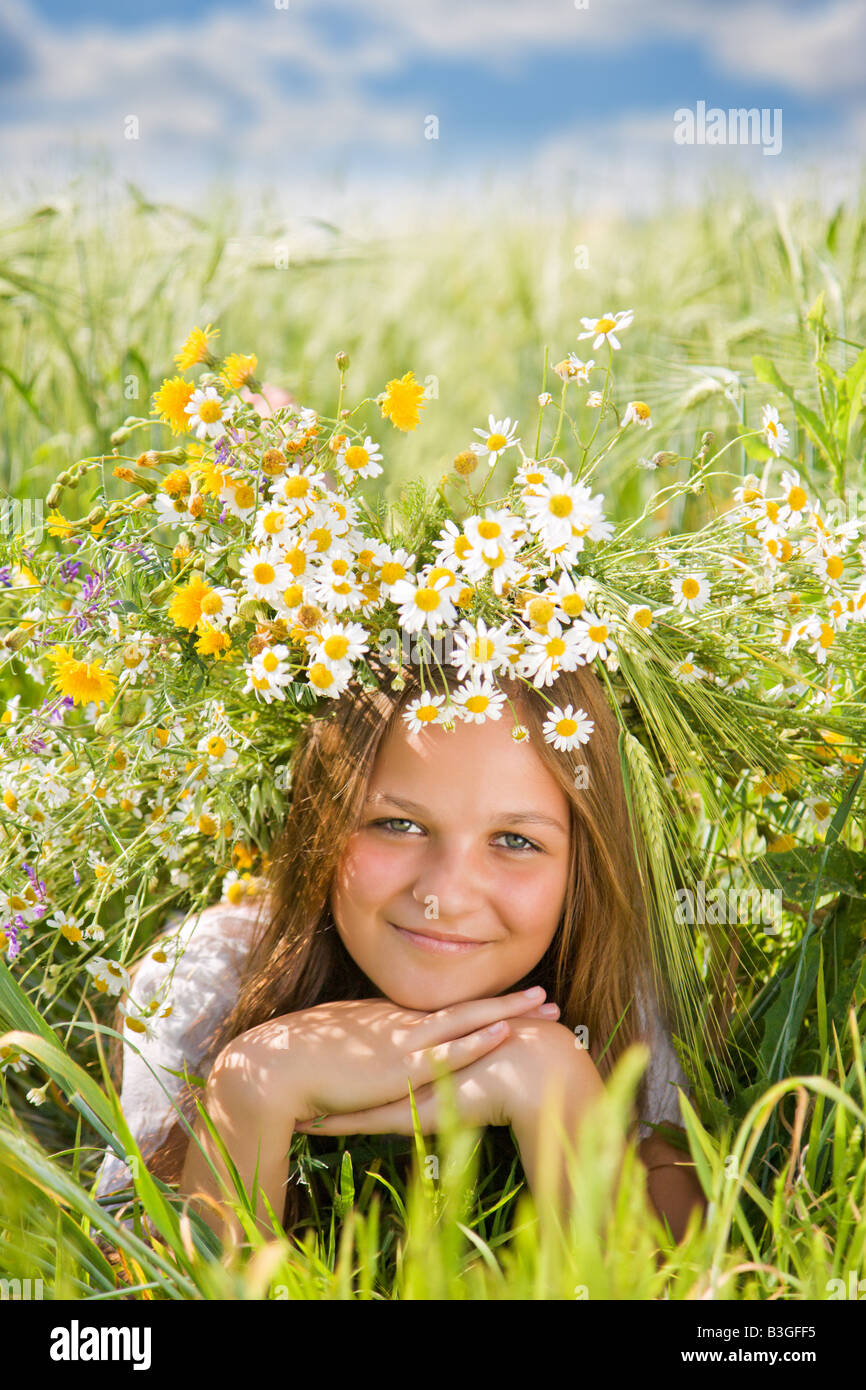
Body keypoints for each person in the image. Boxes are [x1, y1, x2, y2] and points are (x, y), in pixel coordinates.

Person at [95, 659, 706, 1246]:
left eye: (515, 840)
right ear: (322, 822)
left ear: (583, 866)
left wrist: (555, 1089)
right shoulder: (210, 974)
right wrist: (252, 1088)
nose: (445, 893)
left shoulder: (628, 995)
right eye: (399, 825)